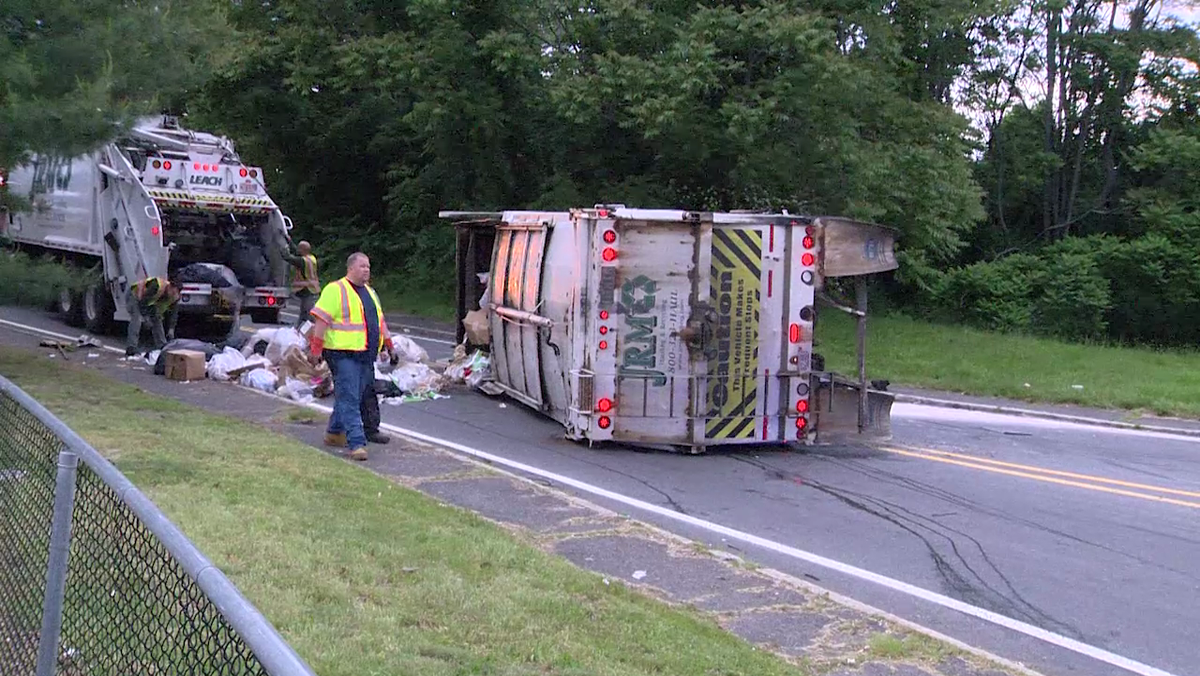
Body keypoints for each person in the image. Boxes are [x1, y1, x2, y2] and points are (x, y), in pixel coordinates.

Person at [307, 252, 398, 461]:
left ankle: (333, 432)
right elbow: (321, 321)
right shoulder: (335, 290)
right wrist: (316, 350)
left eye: (368, 266)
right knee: (350, 396)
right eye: (362, 266)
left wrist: (389, 345)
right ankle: (356, 442)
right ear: (350, 268)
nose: (366, 270)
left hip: (365, 355)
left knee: (353, 394)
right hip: (342, 354)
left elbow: (379, 322)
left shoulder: (370, 293)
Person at [125, 276, 180, 356]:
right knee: (137, 319)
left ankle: (162, 346)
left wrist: (171, 328)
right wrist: (146, 318)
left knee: (157, 319)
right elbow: (142, 303)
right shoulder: (156, 285)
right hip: (135, 295)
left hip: (149, 302)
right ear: (170, 287)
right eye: (172, 292)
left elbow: (174, 314)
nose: (172, 295)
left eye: (175, 293)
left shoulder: (175, 297)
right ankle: (131, 347)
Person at [282, 240, 319, 328]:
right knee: (304, 313)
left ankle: (314, 332)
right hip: (311, 290)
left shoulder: (302, 261)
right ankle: (298, 331)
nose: (297, 250)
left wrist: (283, 248)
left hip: (308, 290)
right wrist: (290, 241)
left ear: (303, 250)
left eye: (299, 248)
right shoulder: (311, 258)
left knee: (308, 314)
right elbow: (297, 252)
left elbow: (288, 257)